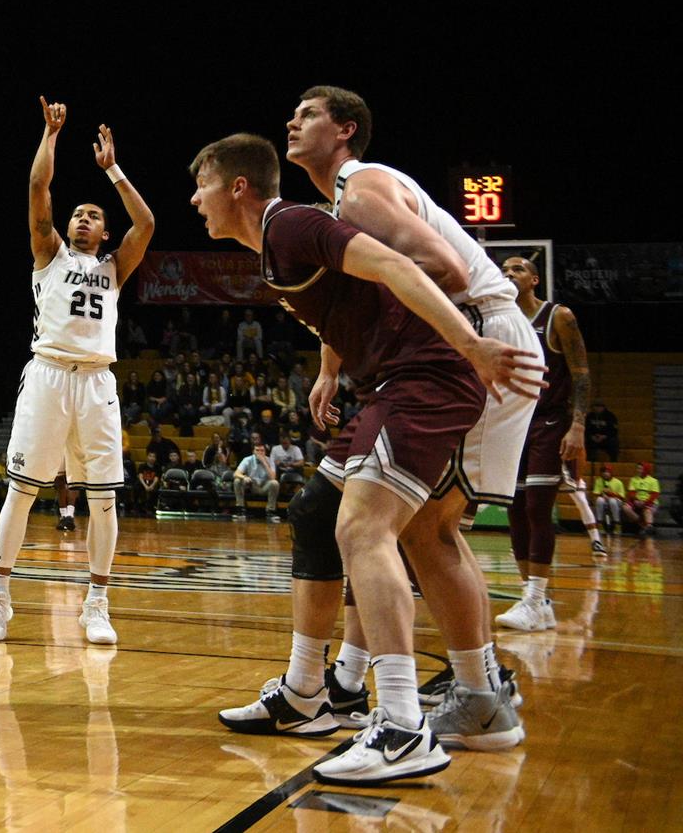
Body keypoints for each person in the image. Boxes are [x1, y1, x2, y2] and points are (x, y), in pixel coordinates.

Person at [191, 132, 539, 786]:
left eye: (201, 183)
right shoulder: (277, 249)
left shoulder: (291, 222)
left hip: (426, 369)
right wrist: (330, 370)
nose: (194, 198)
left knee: (365, 527)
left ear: (237, 186)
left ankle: (402, 722)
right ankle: (308, 693)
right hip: (390, 378)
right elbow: (347, 311)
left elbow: (398, 268)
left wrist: (469, 343)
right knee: (321, 508)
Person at [286, 86, 546, 743]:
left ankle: (479, 701)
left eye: (309, 113)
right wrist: (329, 366)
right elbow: (366, 283)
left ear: (345, 130)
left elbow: (443, 269)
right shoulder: (345, 198)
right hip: (483, 340)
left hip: (479, 340)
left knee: (424, 529)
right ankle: (481, 691)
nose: (293, 121)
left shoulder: (361, 185)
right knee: (432, 526)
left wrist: (447, 347)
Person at [0, 99, 154, 649]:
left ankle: (97, 604)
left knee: (103, 501)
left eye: (93, 215)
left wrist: (113, 173)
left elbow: (146, 223)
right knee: (22, 493)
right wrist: (50, 135)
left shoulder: (115, 267)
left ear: (104, 233)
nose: (83, 218)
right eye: (78, 213)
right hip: (49, 374)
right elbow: (38, 192)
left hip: (97, 382)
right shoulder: (48, 254)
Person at [498, 254, 605, 634]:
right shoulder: (501, 323)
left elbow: (582, 375)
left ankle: (536, 597)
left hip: (550, 420)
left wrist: (577, 426)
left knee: (537, 506)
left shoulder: (558, 317)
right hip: (514, 423)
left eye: (517, 269)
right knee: (513, 507)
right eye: (504, 270)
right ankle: (534, 600)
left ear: (534, 280)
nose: (509, 274)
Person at [234, 441, 279, 519]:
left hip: (265, 486)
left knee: (275, 483)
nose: (259, 452)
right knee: (237, 481)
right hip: (252, 485)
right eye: (257, 450)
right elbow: (236, 473)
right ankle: (240, 509)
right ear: (253, 451)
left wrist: (264, 463)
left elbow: (273, 477)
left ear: (265, 452)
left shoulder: (270, 460)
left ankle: (270, 511)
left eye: (262, 450)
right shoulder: (247, 459)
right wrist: (244, 477)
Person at [625, 462, 662, 534]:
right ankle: (642, 524)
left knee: (647, 510)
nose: (638, 470)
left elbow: (655, 495)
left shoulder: (653, 481)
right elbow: (631, 492)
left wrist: (645, 503)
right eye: (638, 468)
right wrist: (636, 500)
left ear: (646, 469)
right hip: (636, 500)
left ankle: (649, 527)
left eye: (640, 469)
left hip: (649, 501)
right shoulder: (634, 479)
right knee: (626, 508)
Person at [593, 466, 626, 533]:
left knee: (612, 501)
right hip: (604, 500)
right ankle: (600, 523)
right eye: (604, 472)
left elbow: (622, 497)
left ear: (611, 473)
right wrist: (602, 494)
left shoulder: (618, 482)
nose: (605, 474)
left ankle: (617, 524)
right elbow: (595, 493)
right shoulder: (599, 481)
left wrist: (611, 494)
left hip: (616, 501)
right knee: (599, 500)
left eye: (607, 472)